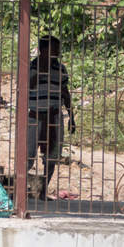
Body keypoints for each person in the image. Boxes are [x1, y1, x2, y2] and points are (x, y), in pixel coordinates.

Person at [26, 34, 74, 200]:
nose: (57, 53)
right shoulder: (32, 66)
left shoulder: (60, 69)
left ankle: (43, 191)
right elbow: (27, 85)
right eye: (53, 49)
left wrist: (71, 116)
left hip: (54, 117)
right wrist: (41, 71)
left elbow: (65, 93)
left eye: (57, 50)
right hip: (34, 116)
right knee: (28, 155)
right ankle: (22, 190)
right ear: (43, 50)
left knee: (52, 156)